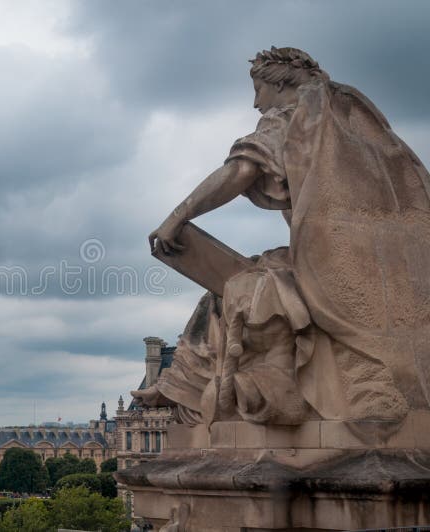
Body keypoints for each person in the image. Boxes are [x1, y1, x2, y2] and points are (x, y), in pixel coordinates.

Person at [137, 47, 430, 425]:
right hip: (395, 273)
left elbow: (241, 170)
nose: (256, 102)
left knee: (235, 288)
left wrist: (177, 217)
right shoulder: (356, 114)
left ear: (280, 84)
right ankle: (178, 386)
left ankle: (187, 393)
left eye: (259, 89)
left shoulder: (298, 115)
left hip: (334, 268)